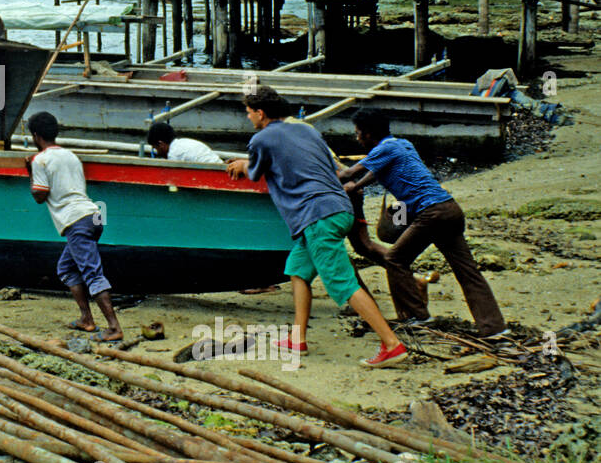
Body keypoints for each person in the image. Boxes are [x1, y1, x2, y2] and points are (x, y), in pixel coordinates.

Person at [225, 85, 407, 367]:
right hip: (339, 209)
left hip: (316, 216)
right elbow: (326, 166)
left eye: (249, 113)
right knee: (297, 271)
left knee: (341, 282)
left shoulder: (261, 139)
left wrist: (241, 164)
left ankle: (392, 344)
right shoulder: (307, 130)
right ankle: (297, 339)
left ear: (260, 113)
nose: (248, 118)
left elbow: (255, 173)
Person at [339, 109, 508, 338]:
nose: (357, 138)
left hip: (432, 213)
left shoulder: (383, 149)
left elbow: (349, 172)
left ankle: (416, 318)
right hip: (450, 209)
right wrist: (358, 186)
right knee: (468, 271)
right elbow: (377, 172)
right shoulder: (403, 144)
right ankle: (494, 328)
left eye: (358, 133)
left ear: (368, 134)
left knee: (395, 259)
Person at [25, 111, 123, 342]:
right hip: (92, 216)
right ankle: (86, 319)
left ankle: (114, 327)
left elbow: (39, 195)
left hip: (75, 220)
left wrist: (30, 173)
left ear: (36, 136)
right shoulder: (71, 156)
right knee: (67, 268)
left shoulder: (39, 160)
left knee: (92, 273)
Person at [147, 121, 224, 164]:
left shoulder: (174, 154)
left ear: (161, 144)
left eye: (155, 148)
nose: (157, 152)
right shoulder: (184, 142)